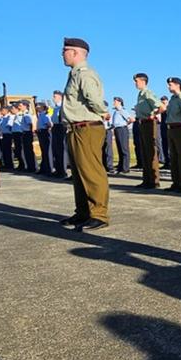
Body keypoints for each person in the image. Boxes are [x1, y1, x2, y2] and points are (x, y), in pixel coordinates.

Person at [56, 37, 111, 231]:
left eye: (65, 50)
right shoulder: (75, 74)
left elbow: (94, 99)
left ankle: (99, 214)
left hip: (87, 127)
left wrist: (103, 111)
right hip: (76, 128)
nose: (62, 54)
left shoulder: (85, 74)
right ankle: (83, 213)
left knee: (91, 172)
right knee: (79, 174)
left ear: (76, 53)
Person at [132, 73, 160, 188]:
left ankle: (154, 180)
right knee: (144, 152)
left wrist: (153, 115)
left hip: (148, 123)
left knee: (150, 152)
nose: (135, 83)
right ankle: (147, 179)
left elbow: (160, 107)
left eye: (136, 81)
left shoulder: (148, 93)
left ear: (143, 81)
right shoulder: (140, 94)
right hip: (142, 123)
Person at [109, 96, 132, 173]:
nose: (113, 103)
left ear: (119, 102)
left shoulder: (122, 110)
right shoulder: (115, 111)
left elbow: (131, 119)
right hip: (116, 129)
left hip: (122, 129)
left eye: (115, 101)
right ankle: (121, 166)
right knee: (119, 148)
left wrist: (125, 124)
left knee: (124, 148)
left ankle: (125, 168)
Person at [50, 91, 68, 177]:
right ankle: (58, 169)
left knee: (62, 149)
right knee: (56, 149)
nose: (53, 98)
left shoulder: (63, 106)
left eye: (55, 97)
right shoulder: (55, 108)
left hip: (61, 127)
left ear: (60, 97)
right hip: (55, 127)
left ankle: (63, 171)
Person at [36, 102, 53, 175]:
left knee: (46, 151)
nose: (37, 107)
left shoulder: (45, 115)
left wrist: (46, 130)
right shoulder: (40, 115)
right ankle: (43, 168)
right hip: (40, 132)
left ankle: (48, 169)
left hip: (44, 132)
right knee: (43, 151)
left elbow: (49, 124)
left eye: (38, 106)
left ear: (42, 107)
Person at [0, 106, 15, 170]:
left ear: (6, 111)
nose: (1, 112)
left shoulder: (10, 117)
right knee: (3, 151)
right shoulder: (3, 117)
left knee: (8, 150)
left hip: (7, 135)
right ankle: (5, 164)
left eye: (3, 110)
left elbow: (9, 126)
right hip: (2, 135)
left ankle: (9, 165)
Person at [157, 95, 171, 168]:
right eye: (162, 100)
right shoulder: (161, 109)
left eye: (164, 100)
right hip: (163, 128)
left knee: (169, 146)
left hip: (168, 127)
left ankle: (170, 162)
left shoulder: (169, 108)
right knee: (164, 145)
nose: (163, 101)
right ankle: (166, 162)